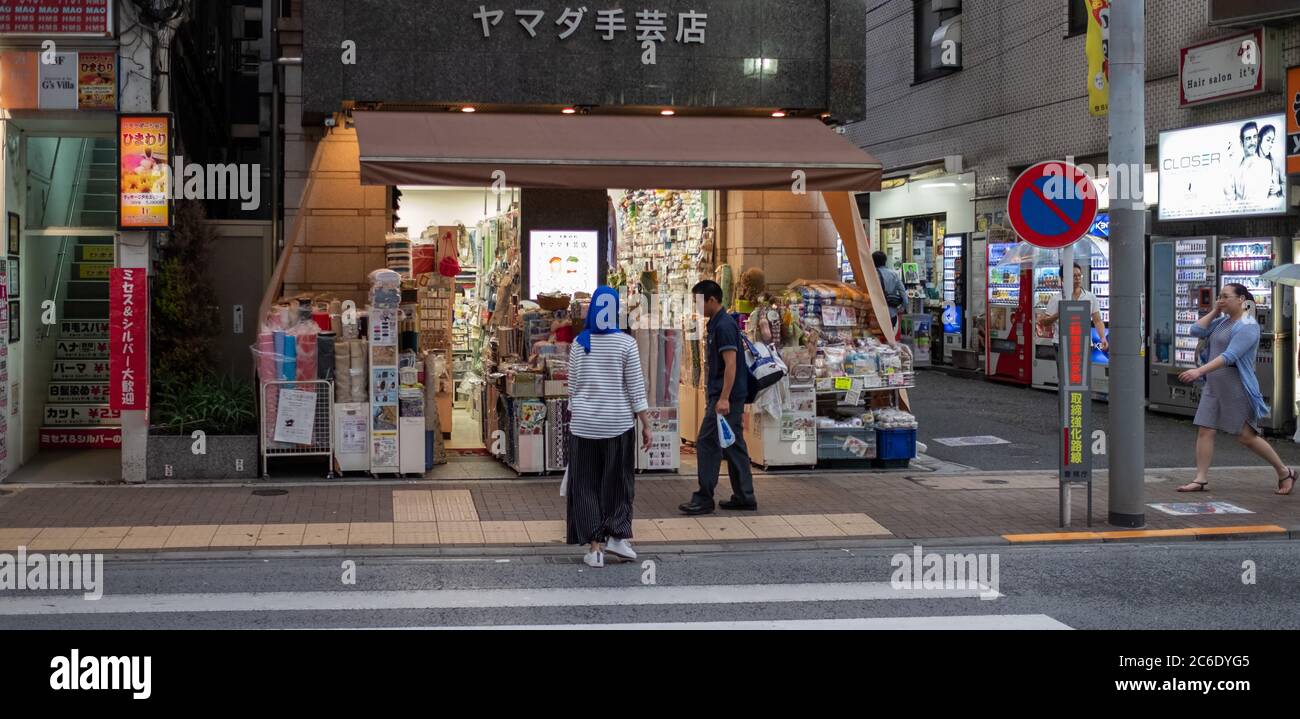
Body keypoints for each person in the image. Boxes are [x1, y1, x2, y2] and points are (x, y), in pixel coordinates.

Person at [1176, 283, 1295, 495]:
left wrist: (1199, 371)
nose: (1221, 299)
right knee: (1205, 429)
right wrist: (1215, 310)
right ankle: (1200, 478)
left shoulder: (1248, 325)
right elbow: (1196, 330)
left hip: (1236, 385)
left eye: (1226, 296)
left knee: (1246, 436)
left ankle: (1284, 471)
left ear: (1241, 299)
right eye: (1219, 296)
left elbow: (1229, 356)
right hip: (1214, 384)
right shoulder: (1222, 322)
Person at [565, 286, 653, 568]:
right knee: (617, 483)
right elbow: (636, 389)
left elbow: (573, 387)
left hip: (584, 427)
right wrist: (646, 424)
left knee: (586, 485)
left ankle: (595, 549)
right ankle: (618, 537)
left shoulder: (580, 343)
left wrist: (574, 415)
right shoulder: (626, 343)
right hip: (617, 425)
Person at [680, 279, 756, 516]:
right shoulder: (717, 323)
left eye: (699, 301)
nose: (696, 306)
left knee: (707, 442)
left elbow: (731, 364)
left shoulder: (723, 325)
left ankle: (704, 498)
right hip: (727, 395)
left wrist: (723, 398)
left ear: (712, 300)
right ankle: (745, 496)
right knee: (732, 444)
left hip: (726, 397)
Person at [1036, 263, 1108, 353]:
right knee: (1064, 367)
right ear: (1063, 279)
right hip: (1061, 344)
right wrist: (1059, 314)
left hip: (1084, 343)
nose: (1077, 278)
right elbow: (1044, 322)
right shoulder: (1056, 299)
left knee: (1083, 367)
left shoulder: (1090, 297)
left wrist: (1102, 337)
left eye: (1079, 275)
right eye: (1074, 276)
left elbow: (1097, 320)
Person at [1228, 122, 1272, 202]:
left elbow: (1260, 197)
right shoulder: (1235, 169)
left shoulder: (1265, 164)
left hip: (1258, 212)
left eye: (1254, 137)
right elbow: (1229, 196)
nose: (1252, 142)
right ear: (1242, 143)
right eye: (1248, 138)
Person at [873, 251, 907, 332]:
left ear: (873, 261)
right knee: (889, 337)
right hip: (892, 313)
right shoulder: (894, 274)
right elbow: (903, 292)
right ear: (885, 261)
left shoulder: (872, 274)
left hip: (875, 313)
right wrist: (903, 307)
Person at [1258, 125, 1287, 199]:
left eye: (1272, 141)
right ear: (1259, 139)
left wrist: (1279, 188)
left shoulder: (1277, 162)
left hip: (1272, 205)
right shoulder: (1250, 161)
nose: (1270, 144)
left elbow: (1287, 184)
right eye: (1268, 140)